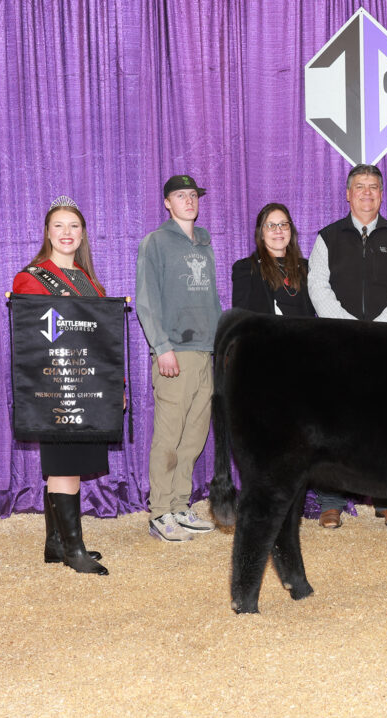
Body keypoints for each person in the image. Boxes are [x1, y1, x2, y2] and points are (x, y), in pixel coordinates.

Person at [307, 163, 387, 529]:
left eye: (374, 187)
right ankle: (330, 501)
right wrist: (350, 330)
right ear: (348, 194)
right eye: (360, 187)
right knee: (334, 425)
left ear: (382, 194)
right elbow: (318, 287)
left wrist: (378, 330)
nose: (367, 193)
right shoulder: (327, 237)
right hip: (338, 346)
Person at [12, 196, 111, 574]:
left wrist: (113, 384)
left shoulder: (89, 282)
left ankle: (56, 544)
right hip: (54, 385)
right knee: (64, 464)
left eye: (74, 226)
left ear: (82, 233)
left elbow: (105, 341)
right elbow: (40, 335)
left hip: (86, 383)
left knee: (69, 463)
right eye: (59, 226)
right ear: (47, 233)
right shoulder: (31, 277)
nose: (67, 233)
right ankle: (75, 551)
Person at [135, 174, 222, 541]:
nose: (189, 200)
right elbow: (146, 299)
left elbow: (212, 300)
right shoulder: (155, 243)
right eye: (180, 195)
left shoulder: (204, 242)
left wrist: (221, 345)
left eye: (193, 195)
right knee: (169, 436)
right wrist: (161, 346)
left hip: (206, 351)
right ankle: (159, 513)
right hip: (175, 352)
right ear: (167, 203)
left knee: (195, 435)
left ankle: (180, 505)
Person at [232, 203, 315, 317]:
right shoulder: (246, 268)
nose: (278, 230)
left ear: (290, 230)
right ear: (261, 233)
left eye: (283, 224)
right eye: (271, 225)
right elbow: (240, 318)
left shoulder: (306, 267)